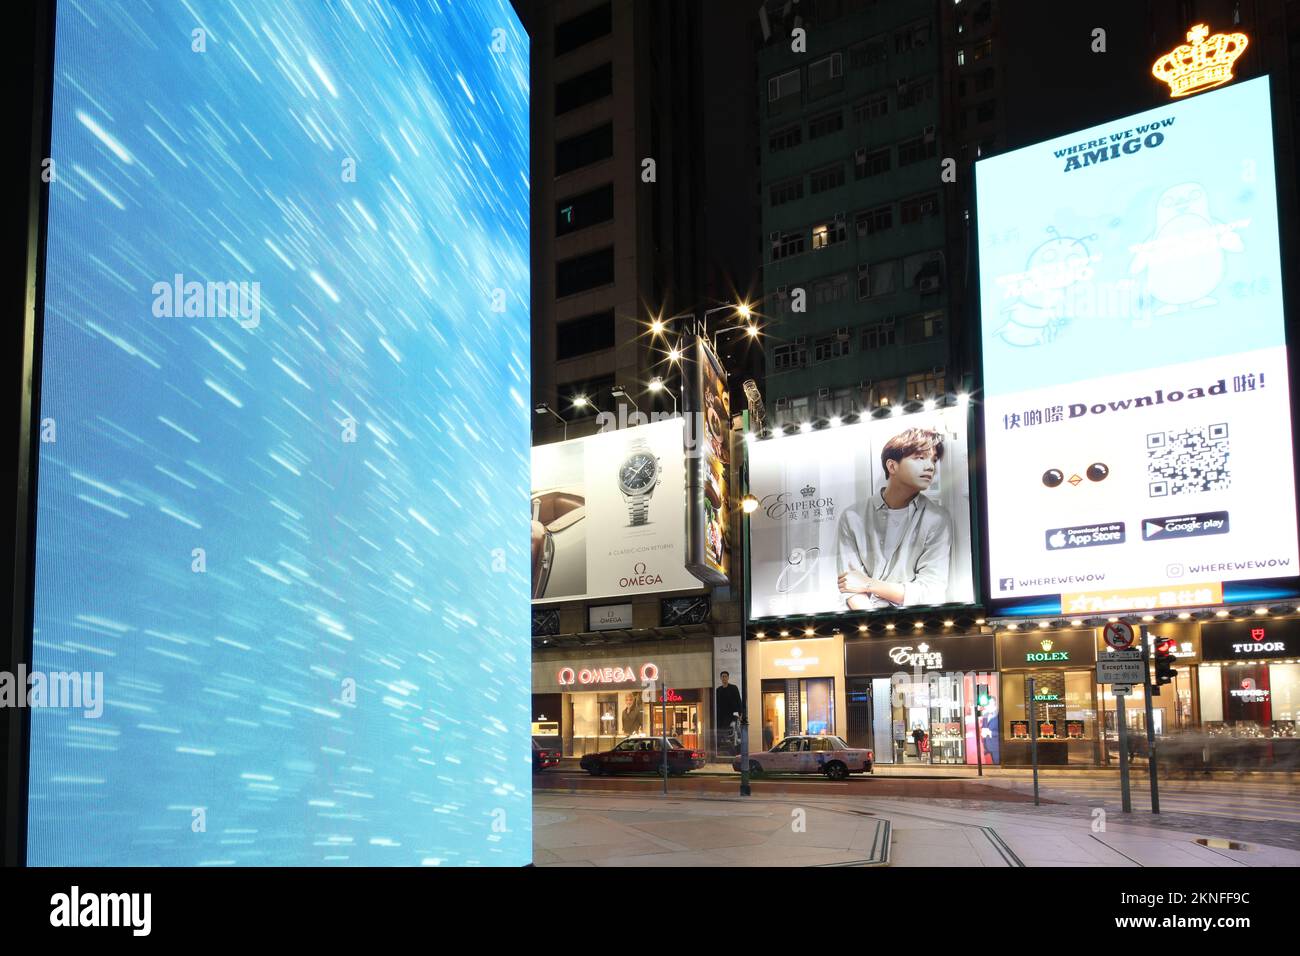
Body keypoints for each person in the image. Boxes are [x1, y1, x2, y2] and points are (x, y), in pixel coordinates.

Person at [836, 427, 953, 610]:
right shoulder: (852, 517)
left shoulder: (937, 518)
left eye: (934, 460)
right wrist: (875, 625)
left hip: (915, 623)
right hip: (862, 625)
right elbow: (849, 587)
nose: (930, 466)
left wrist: (868, 584)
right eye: (920, 458)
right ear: (892, 466)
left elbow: (931, 592)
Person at [715, 671, 743, 752]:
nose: (724, 678)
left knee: (732, 730)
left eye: (725, 676)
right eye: (722, 676)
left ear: (728, 678)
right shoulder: (718, 690)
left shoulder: (733, 688)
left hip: (732, 714)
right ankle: (722, 746)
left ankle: (733, 746)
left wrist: (740, 713)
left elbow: (738, 700)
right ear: (720, 678)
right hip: (721, 716)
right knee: (721, 731)